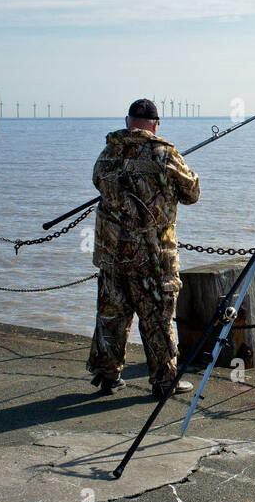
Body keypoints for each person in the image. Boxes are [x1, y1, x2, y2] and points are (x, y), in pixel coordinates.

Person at [86, 98, 200, 396]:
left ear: (127, 122)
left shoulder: (108, 152)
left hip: (113, 256)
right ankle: (164, 382)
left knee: (111, 315)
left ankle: (107, 376)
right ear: (156, 123)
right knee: (157, 319)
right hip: (154, 259)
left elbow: (98, 181)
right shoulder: (166, 154)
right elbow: (192, 193)